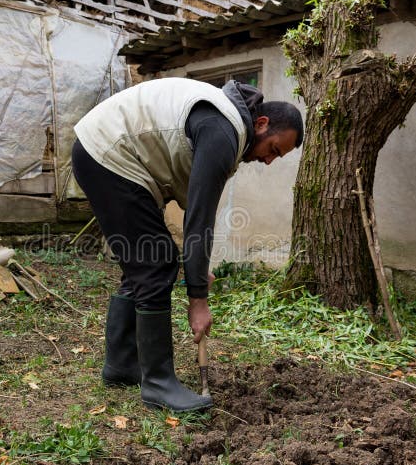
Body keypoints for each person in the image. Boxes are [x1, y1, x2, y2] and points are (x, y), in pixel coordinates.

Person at [71, 77, 303, 411]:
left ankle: (122, 366)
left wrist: (198, 271)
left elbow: (196, 210)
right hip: (108, 154)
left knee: (148, 259)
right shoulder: (224, 131)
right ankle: (158, 385)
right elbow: (199, 219)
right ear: (262, 124)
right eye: (274, 150)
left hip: (107, 154)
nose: (269, 160)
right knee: (155, 262)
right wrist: (198, 299)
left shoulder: (224, 126)